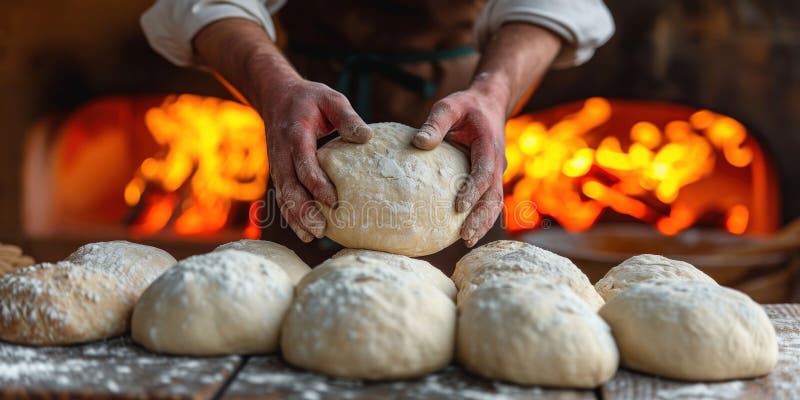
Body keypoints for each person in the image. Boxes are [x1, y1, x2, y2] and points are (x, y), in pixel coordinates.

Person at [140, 0, 614, 259]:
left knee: (465, 311)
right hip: (307, 127)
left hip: (458, 130)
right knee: (293, 322)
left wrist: (495, 93)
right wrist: (278, 90)